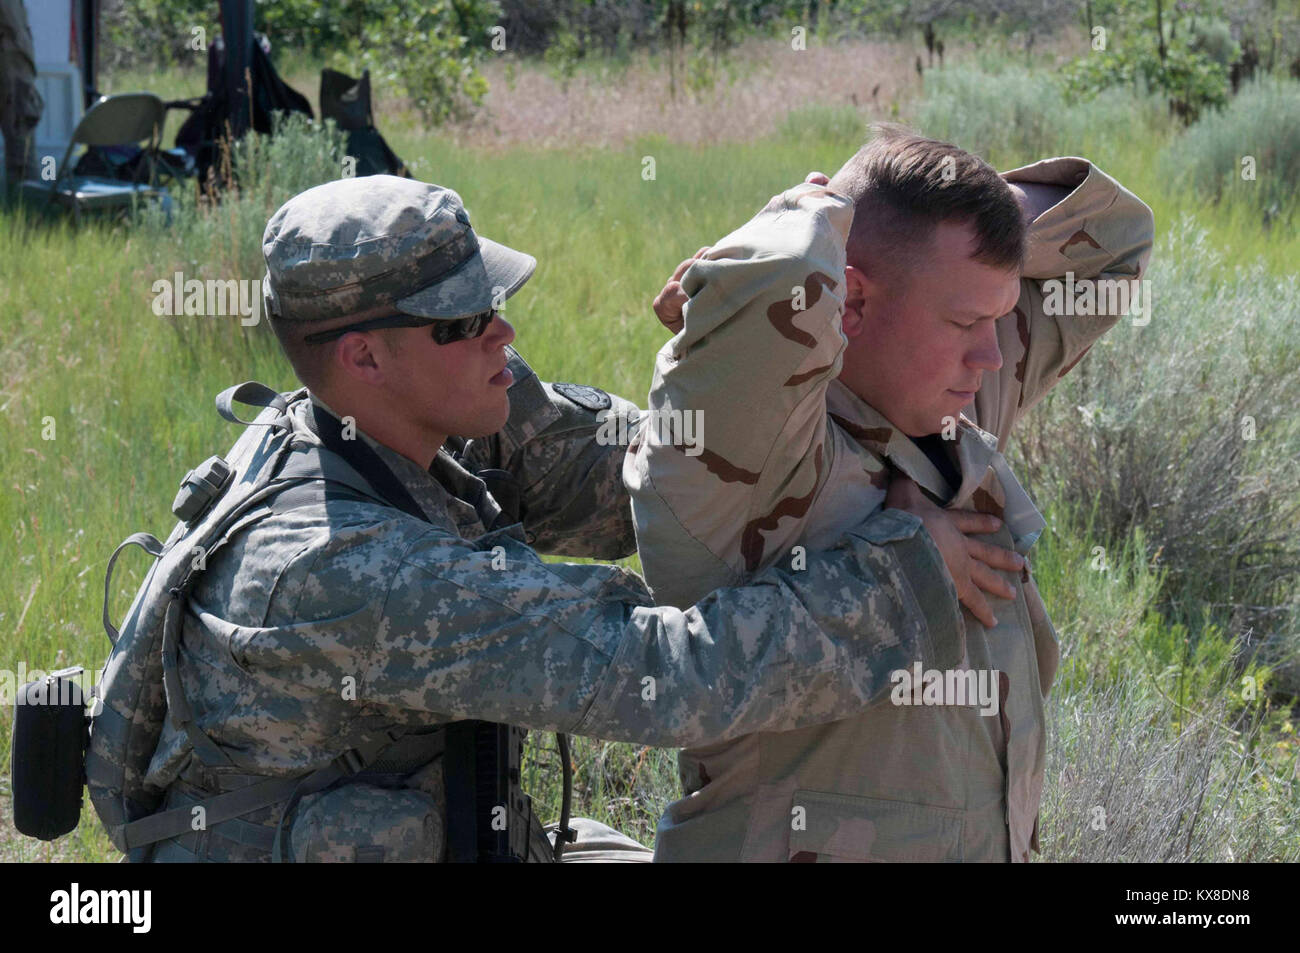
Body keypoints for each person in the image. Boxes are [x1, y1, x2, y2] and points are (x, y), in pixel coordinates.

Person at [130, 173, 973, 862]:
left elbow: (646, 478)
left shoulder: (408, 425)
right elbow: (669, 676)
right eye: (463, 321)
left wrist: (736, 350)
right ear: (363, 357)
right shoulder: (339, 566)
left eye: (490, 297)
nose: (503, 331)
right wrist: (903, 572)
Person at [630, 124, 1155, 862]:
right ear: (850, 302)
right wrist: (822, 206)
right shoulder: (754, 454)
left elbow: (1116, 238)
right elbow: (771, 278)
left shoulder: (954, 402)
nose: (993, 354)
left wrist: (941, 202)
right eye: (967, 320)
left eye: (1001, 318)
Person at [0, 0, 43, 192]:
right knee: (23, 159)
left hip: (15, 71)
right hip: (14, 69)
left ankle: (27, 210)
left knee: (23, 159)